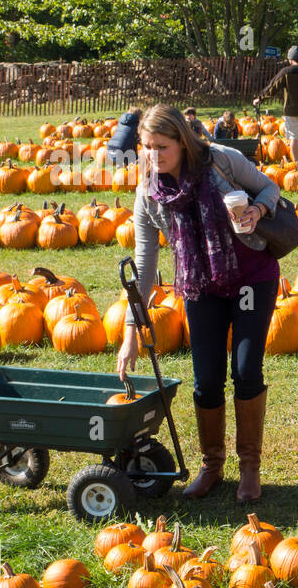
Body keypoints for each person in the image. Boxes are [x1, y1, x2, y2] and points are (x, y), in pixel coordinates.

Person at [116, 104, 281, 503]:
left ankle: (249, 468)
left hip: (251, 277)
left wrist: (257, 210)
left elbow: (271, 188)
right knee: (206, 379)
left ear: (182, 142)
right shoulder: (148, 194)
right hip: (201, 286)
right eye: (147, 147)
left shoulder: (222, 161)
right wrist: (130, 333)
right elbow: (142, 266)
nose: (153, 156)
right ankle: (212, 465)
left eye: (162, 146)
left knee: (245, 371)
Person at [253, 45, 298, 164]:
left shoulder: (286, 72)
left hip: (291, 111)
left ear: (290, 59)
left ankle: (295, 164)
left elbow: (272, 87)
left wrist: (260, 98)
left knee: (293, 138)